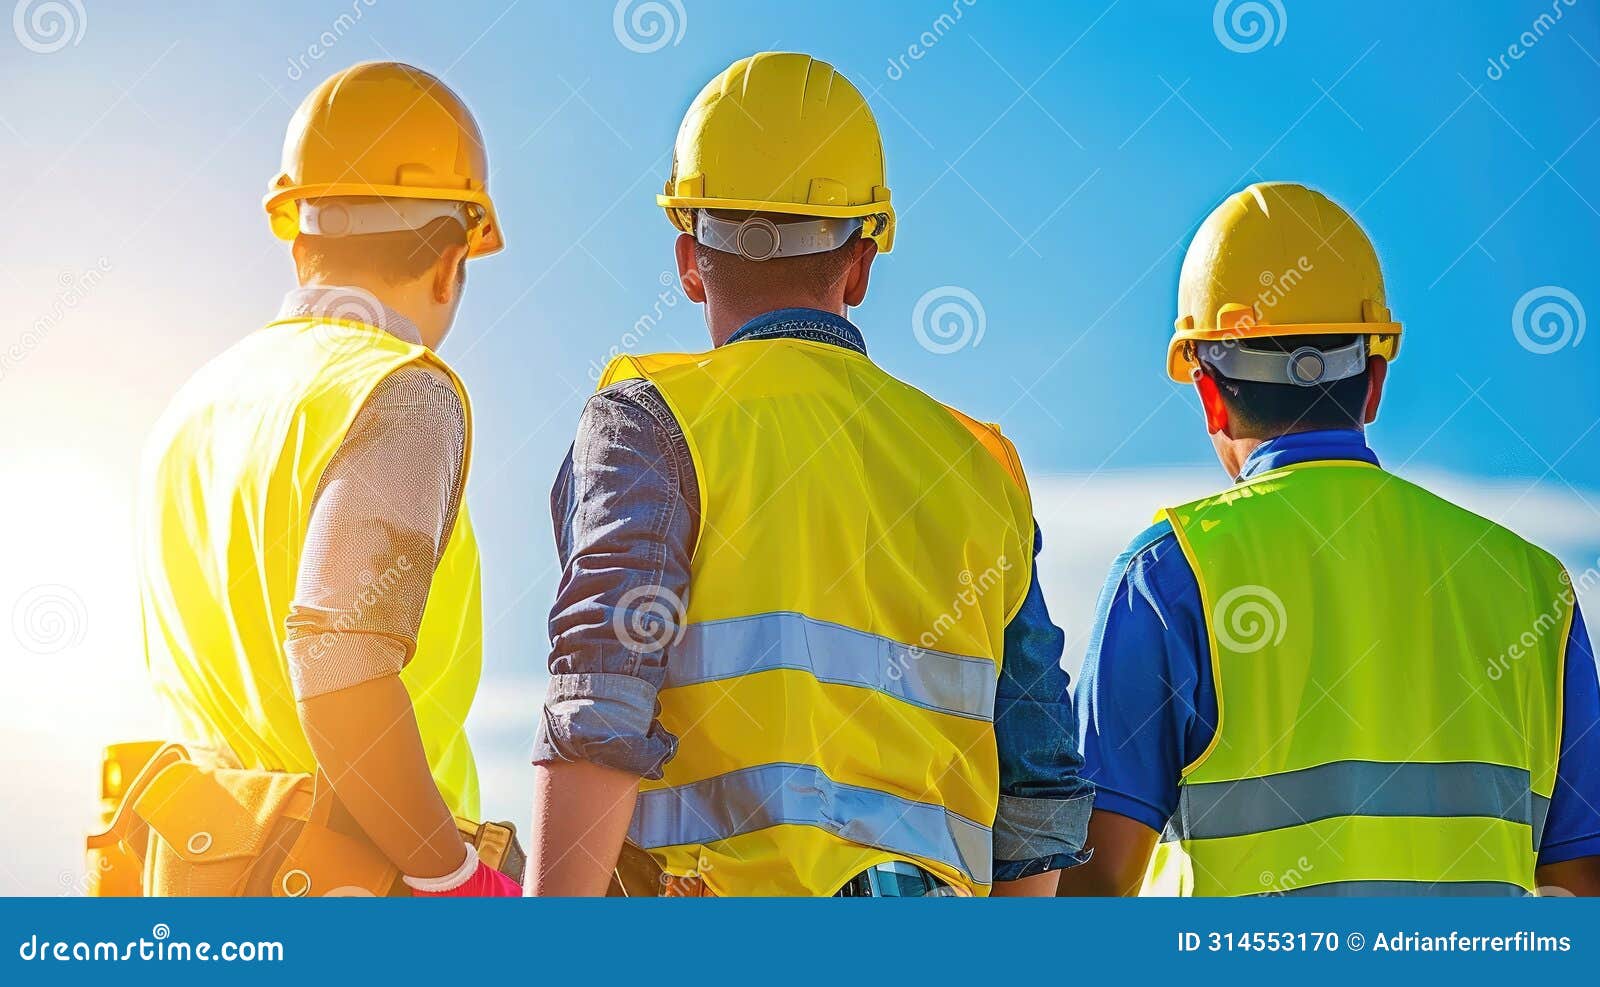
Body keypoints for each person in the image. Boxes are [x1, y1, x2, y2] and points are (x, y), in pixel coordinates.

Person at [526, 52, 1093, 897]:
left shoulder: (651, 422)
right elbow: (1038, 787)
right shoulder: (983, 467)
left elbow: (599, 707)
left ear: (689, 259)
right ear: (861, 264)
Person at [1058, 181, 1600, 898]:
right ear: (1374, 380)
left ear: (1209, 392)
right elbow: (1583, 885)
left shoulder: (1169, 575)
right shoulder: (1534, 585)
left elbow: (1092, 887)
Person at [132, 61, 518, 896]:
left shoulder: (192, 408)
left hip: (202, 880)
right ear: (452, 261)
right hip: (359, 883)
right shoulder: (401, 389)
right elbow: (340, 666)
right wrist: (451, 874)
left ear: (301, 239)